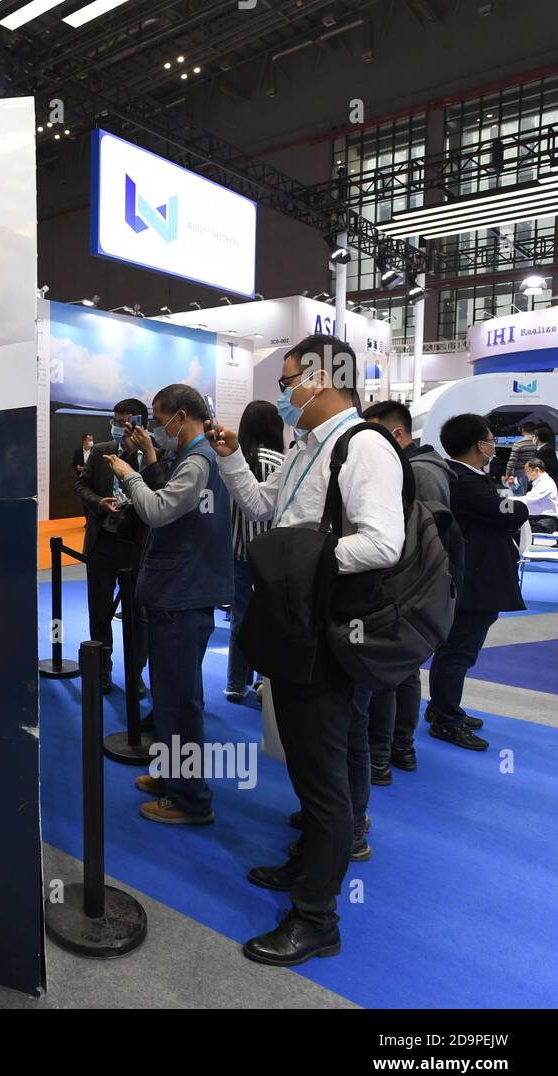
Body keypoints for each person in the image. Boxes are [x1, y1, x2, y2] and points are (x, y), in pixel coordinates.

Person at [207, 334, 405, 966]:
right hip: (298, 628)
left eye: (288, 380)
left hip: (328, 633)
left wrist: (304, 565)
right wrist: (235, 459)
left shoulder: (363, 446)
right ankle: (310, 864)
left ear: (320, 378)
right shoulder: (305, 448)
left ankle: (317, 917)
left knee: (322, 775)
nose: (283, 395)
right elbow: (267, 510)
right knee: (316, 761)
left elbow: (382, 544)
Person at [105, 383, 232, 826]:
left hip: (183, 592)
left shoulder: (198, 460)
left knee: (179, 701)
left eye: (160, 421)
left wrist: (130, 474)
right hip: (179, 590)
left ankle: (189, 798)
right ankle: (173, 775)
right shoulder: (196, 457)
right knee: (172, 697)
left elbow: (159, 510)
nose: (157, 430)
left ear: (181, 416)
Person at [360, 400, 452, 785]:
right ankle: (398, 748)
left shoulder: (415, 472)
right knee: (403, 673)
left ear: (396, 434)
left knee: (389, 675)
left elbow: (411, 537)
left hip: (406, 587)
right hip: (413, 587)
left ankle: (385, 755)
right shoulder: (426, 467)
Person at [426, 414, 529, 750]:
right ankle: (445, 719)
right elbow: (510, 512)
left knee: (455, 650)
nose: (493, 445)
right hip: (475, 581)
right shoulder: (465, 482)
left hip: (473, 577)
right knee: (458, 652)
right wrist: (518, 505)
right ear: (478, 445)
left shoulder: (461, 477)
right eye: (489, 439)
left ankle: (443, 708)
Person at [75, 400, 166, 695]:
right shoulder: (102, 451)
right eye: (115, 420)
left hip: (139, 547)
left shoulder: (157, 454)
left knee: (138, 616)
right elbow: (82, 486)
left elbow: (160, 492)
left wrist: (145, 456)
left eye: (125, 421)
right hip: (102, 543)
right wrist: (98, 503)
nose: (118, 427)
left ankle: (136, 673)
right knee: (99, 612)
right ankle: (101, 669)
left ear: (142, 424)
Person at [225, 401, 284, 704]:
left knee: (239, 619)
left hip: (236, 552)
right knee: (270, 620)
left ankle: (236, 683)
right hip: (272, 557)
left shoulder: (234, 461)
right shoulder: (281, 461)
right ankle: (264, 681)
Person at [519, 457, 558, 533]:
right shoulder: (540, 482)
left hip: (544, 522)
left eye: (527, 471)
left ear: (536, 470)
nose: (526, 475)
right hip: (538, 520)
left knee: (513, 533)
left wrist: (508, 500)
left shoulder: (545, 483)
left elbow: (529, 499)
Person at [505, 421, 539, 490]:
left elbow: (512, 462)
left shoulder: (518, 444)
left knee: (521, 496)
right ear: (535, 431)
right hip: (536, 473)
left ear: (523, 430)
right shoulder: (539, 443)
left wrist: (507, 474)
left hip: (521, 474)